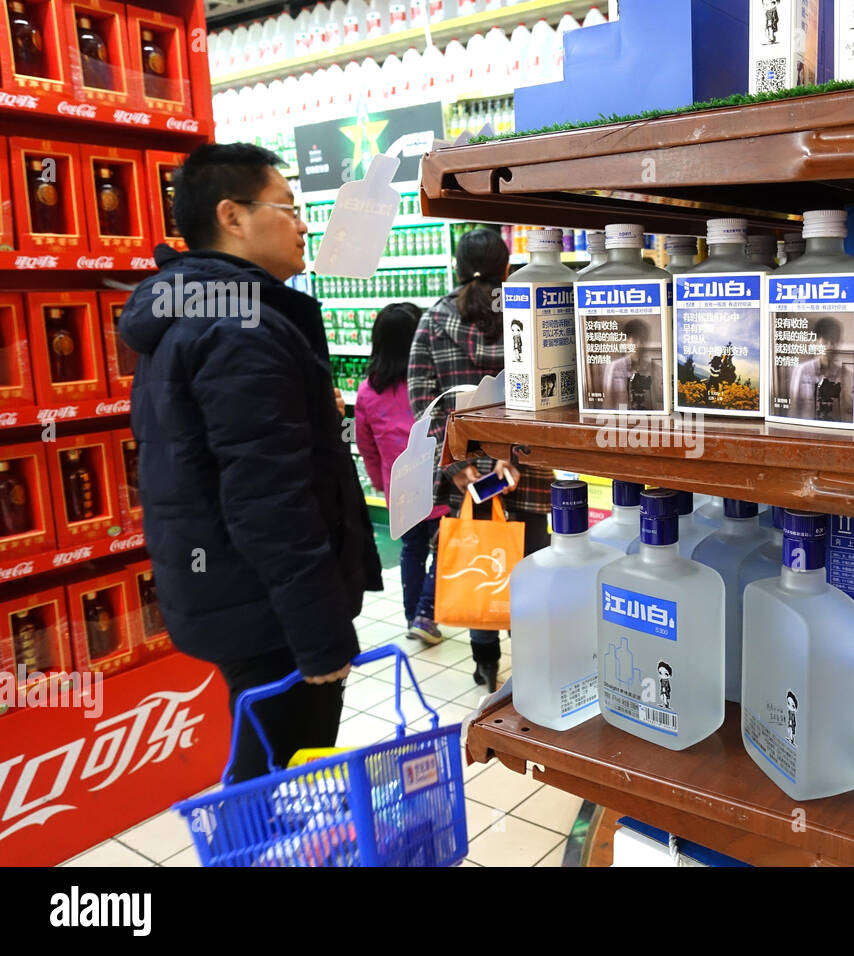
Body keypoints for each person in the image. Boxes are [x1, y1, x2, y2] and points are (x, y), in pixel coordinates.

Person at [118, 143, 382, 784]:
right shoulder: (240, 330)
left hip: (236, 595)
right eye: (288, 208)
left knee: (273, 760)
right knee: (280, 774)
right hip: (267, 610)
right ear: (233, 216)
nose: (302, 225)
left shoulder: (200, 313)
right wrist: (320, 636)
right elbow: (269, 500)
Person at [407, 229, 552, 692]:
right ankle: (532, 667)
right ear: (506, 269)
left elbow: (422, 403)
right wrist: (511, 454)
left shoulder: (432, 321)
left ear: (455, 264)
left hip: (466, 479)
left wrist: (458, 465)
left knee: (480, 564)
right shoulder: (527, 315)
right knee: (532, 575)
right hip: (524, 473)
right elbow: (546, 394)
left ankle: (485, 665)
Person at [354, 302, 448, 645]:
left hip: (400, 486)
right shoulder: (429, 383)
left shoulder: (367, 391)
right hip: (437, 480)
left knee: (412, 548)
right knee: (445, 546)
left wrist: (380, 483)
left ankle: (413, 614)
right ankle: (425, 612)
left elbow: (366, 445)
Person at [788, 317, 851, 421]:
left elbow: (846, 414)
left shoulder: (846, 374)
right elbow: (793, 410)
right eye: (825, 341)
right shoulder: (802, 371)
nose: (830, 346)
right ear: (816, 342)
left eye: (834, 341)